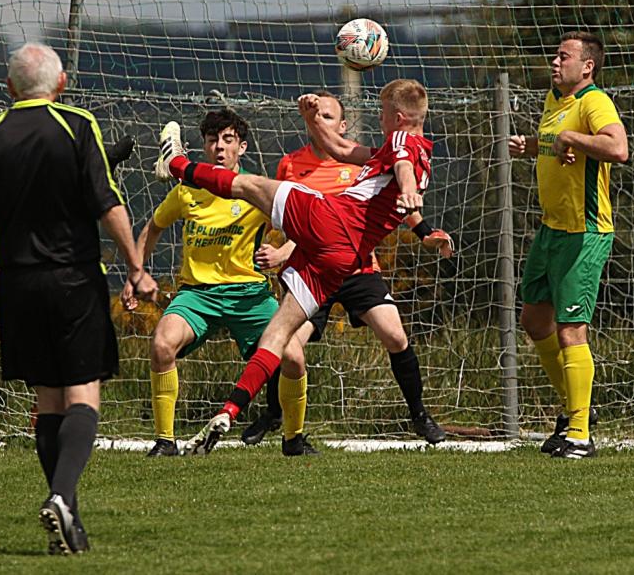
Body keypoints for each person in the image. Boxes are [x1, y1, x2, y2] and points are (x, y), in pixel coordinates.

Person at [142, 78, 435, 454]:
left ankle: (177, 164)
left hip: (330, 220)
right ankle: (230, 411)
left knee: (248, 185)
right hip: (343, 258)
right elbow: (340, 147)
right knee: (278, 337)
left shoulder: (402, 141)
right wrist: (311, 118)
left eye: (382, 114)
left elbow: (404, 165)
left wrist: (409, 193)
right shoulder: (411, 154)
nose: (379, 120)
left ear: (398, 117)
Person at [0, 43, 156, 555]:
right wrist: (136, 267)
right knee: (83, 395)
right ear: (61, 84)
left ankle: (70, 521)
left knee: (47, 400)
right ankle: (62, 496)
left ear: (9, 88)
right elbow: (108, 204)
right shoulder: (78, 124)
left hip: (18, 285)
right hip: (74, 280)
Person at [242, 90, 452, 447]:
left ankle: (420, 415)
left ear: (342, 125)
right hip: (314, 268)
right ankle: (276, 414)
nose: (320, 121)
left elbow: (399, 192)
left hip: (357, 268)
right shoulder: (291, 164)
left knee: (395, 336)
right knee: (288, 344)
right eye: (317, 116)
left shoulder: (370, 159)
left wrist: (424, 231)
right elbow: (302, 221)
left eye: (328, 116)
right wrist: (279, 250)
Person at [135, 108, 313, 457]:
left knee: (293, 355)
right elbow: (153, 228)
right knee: (162, 344)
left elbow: (303, 229)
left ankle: (293, 440)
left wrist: (281, 253)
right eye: (212, 140)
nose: (219, 147)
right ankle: (165, 442)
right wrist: (136, 273)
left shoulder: (255, 190)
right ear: (204, 146)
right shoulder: (186, 192)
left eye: (228, 140)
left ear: (241, 147)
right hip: (197, 295)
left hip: (249, 295)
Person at [508, 31, 628, 459]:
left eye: (564, 57)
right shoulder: (554, 100)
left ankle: (578, 433)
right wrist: (531, 146)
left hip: (584, 232)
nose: (555, 62)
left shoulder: (594, 101)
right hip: (551, 229)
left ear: (587, 66)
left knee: (570, 329)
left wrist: (574, 139)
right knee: (533, 320)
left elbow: (618, 148)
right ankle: (576, 408)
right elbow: (558, 145)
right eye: (555, 56)